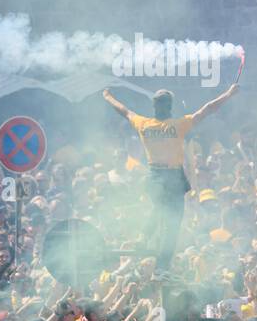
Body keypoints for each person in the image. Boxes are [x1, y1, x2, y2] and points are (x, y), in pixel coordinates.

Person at [101, 79, 239, 270]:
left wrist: (108, 96)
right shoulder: (178, 125)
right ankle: (162, 268)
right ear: (170, 107)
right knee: (172, 223)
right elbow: (207, 109)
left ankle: (143, 238)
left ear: (154, 107)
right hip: (172, 177)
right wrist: (229, 94)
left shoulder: (144, 124)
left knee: (158, 210)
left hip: (154, 176)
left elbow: (124, 111)